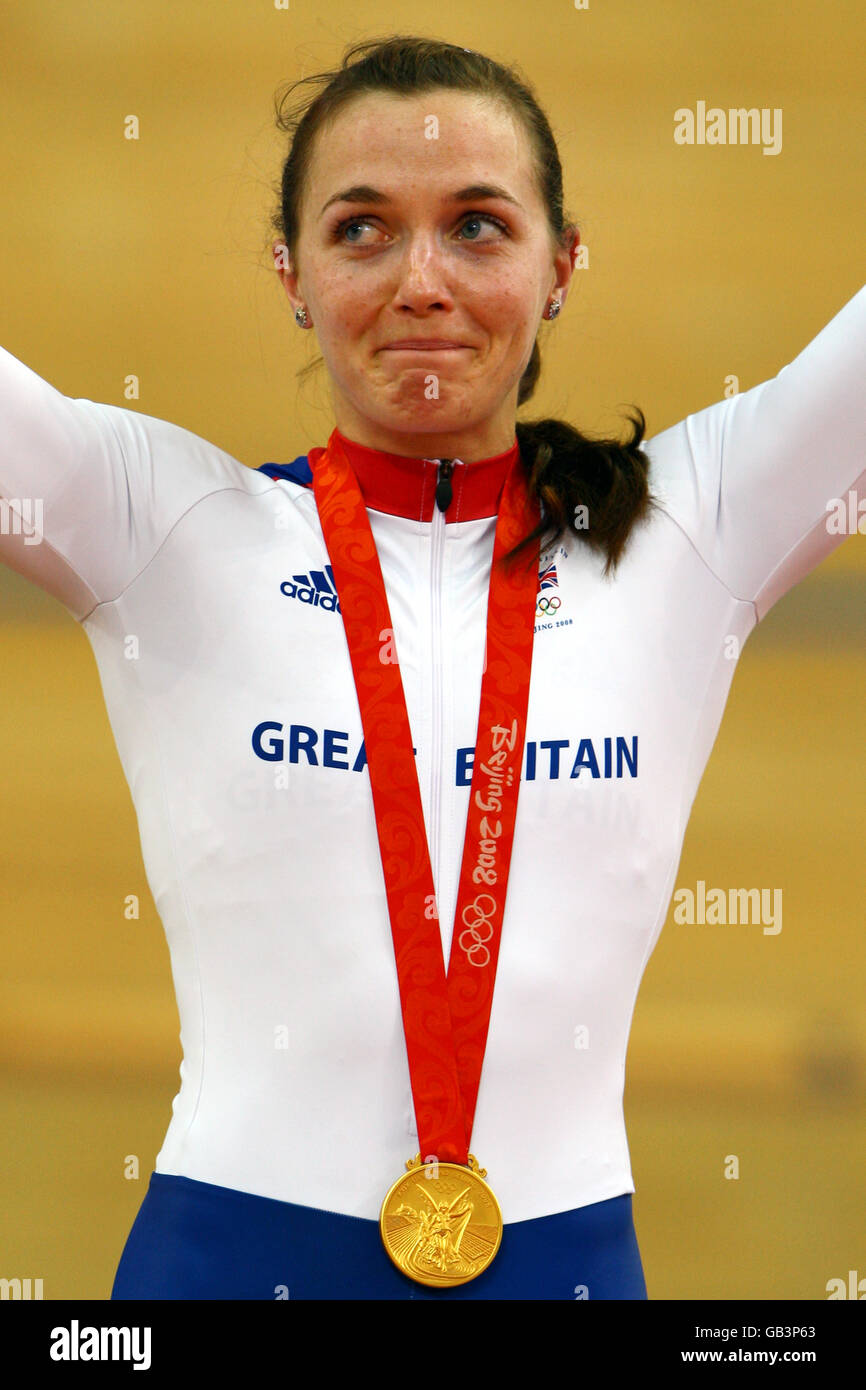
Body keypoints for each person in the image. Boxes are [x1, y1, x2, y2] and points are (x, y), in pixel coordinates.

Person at [0, 34, 863, 1301]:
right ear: (290, 274)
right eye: (361, 230)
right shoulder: (162, 525)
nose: (420, 282)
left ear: (561, 264)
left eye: (475, 226)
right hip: (226, 1266)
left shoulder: (690, 527)